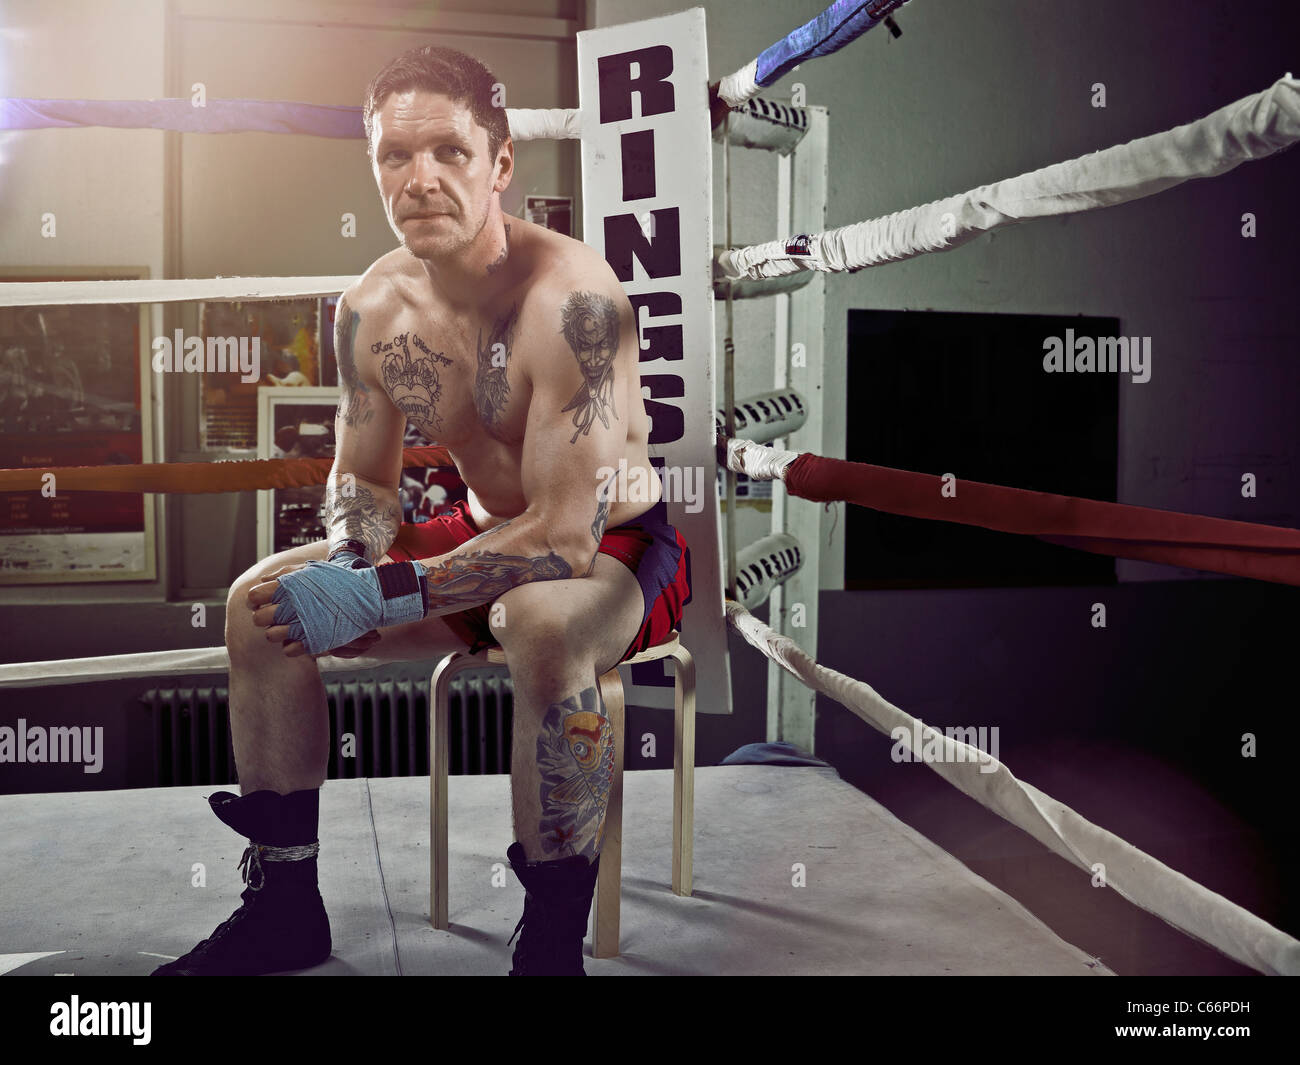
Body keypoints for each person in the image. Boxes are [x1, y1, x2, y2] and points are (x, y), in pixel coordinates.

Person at [152, 43, 691, 977]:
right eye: (395, 158)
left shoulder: (579, 303)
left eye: (448, 150)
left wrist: (387, 594)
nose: (421, 178)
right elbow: (364, 478)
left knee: (540, 619)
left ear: (502, 162)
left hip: (615, 550)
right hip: (482, 537)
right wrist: (352, 557)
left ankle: (551, 945)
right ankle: (284, 903)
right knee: (257, 605)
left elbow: (564, 537)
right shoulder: (370, 306)